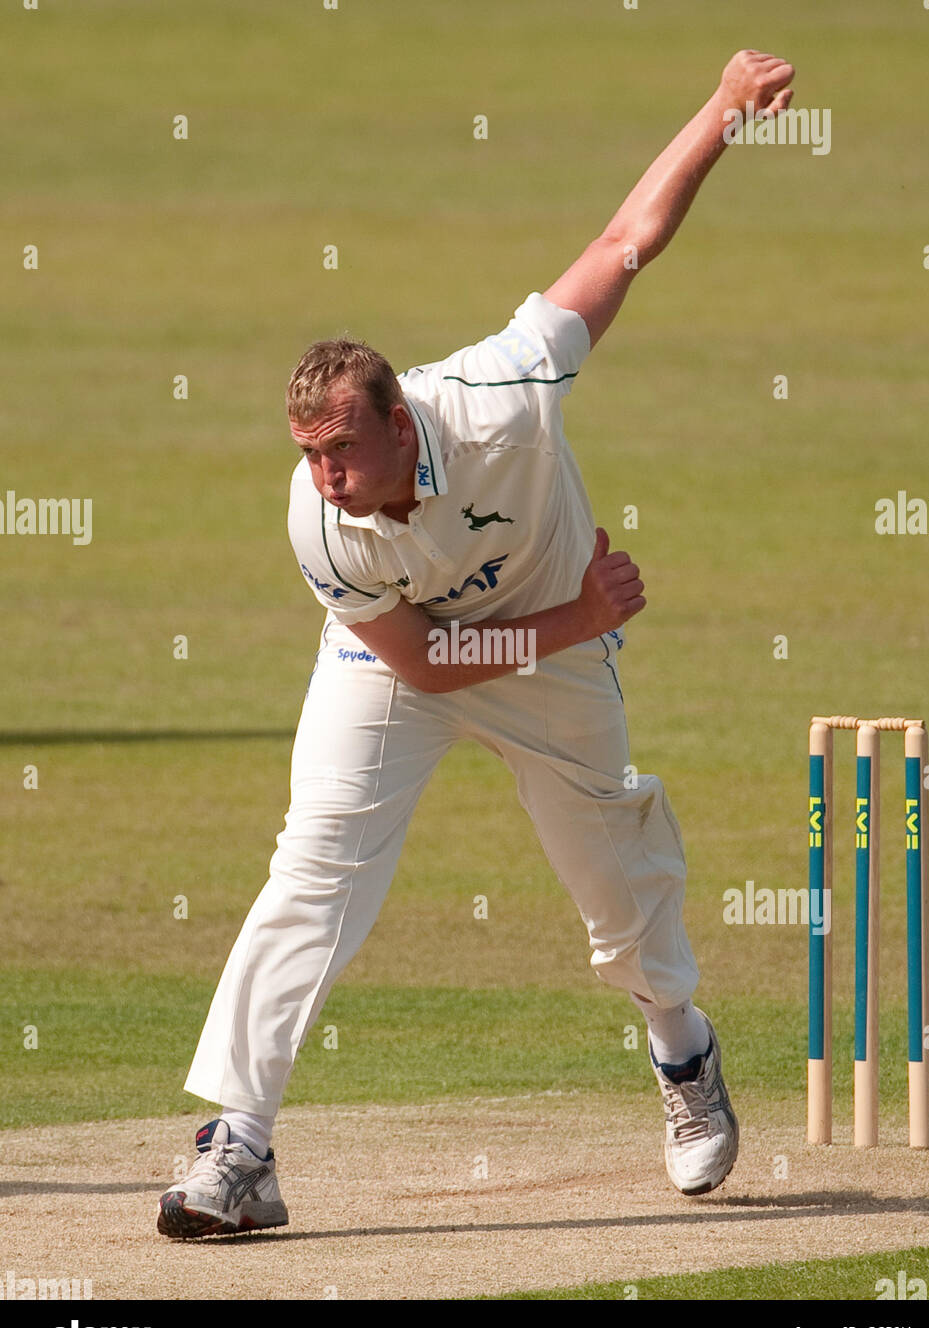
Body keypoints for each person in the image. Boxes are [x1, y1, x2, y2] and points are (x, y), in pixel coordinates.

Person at [158, 48, 795, 1238]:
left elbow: (623, 244)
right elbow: (422, 665)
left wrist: (718, 111)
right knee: (317, 863)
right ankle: (237, 1145)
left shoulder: (505, 392)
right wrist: (586, 613)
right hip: (416, 655)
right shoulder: (321, 527)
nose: (326, 478)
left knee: (612, 871)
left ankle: (680, 1052)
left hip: (552, 664)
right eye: (307, 454)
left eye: (342, 449)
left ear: (402, 420)